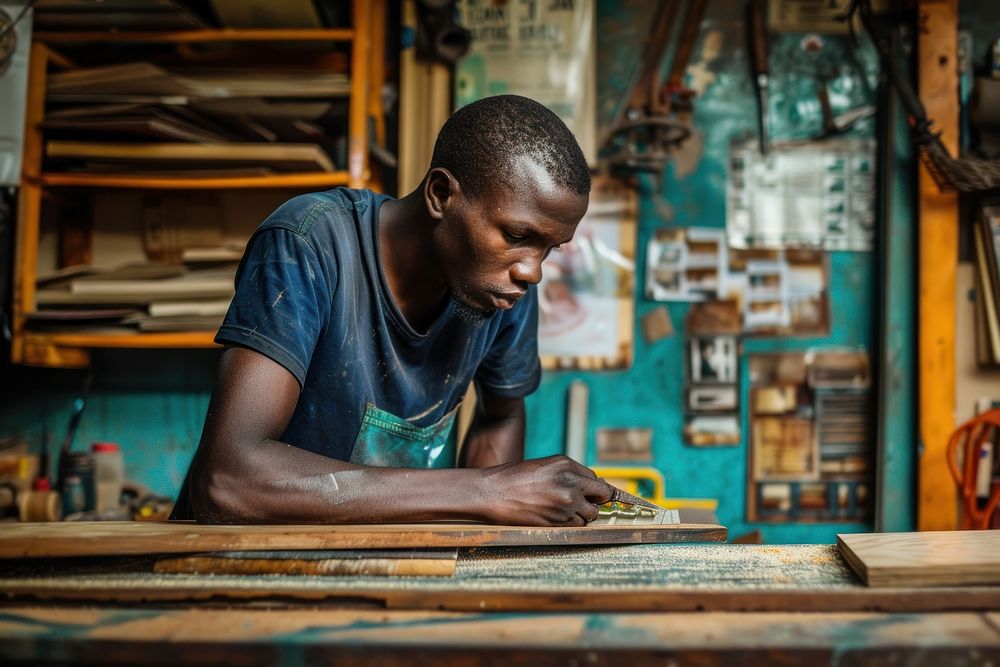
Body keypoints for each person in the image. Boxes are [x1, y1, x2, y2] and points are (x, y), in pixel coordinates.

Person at [170, 95, 614, 525]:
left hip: (383, 566)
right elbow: (228, 480)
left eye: (549, 248)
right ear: (441, 194)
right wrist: (487, 492)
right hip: (238, 570)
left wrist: (489, 540)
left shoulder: (500, 284)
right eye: (518, 235)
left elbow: (500, 415)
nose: (532, 271)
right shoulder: (310, 242)